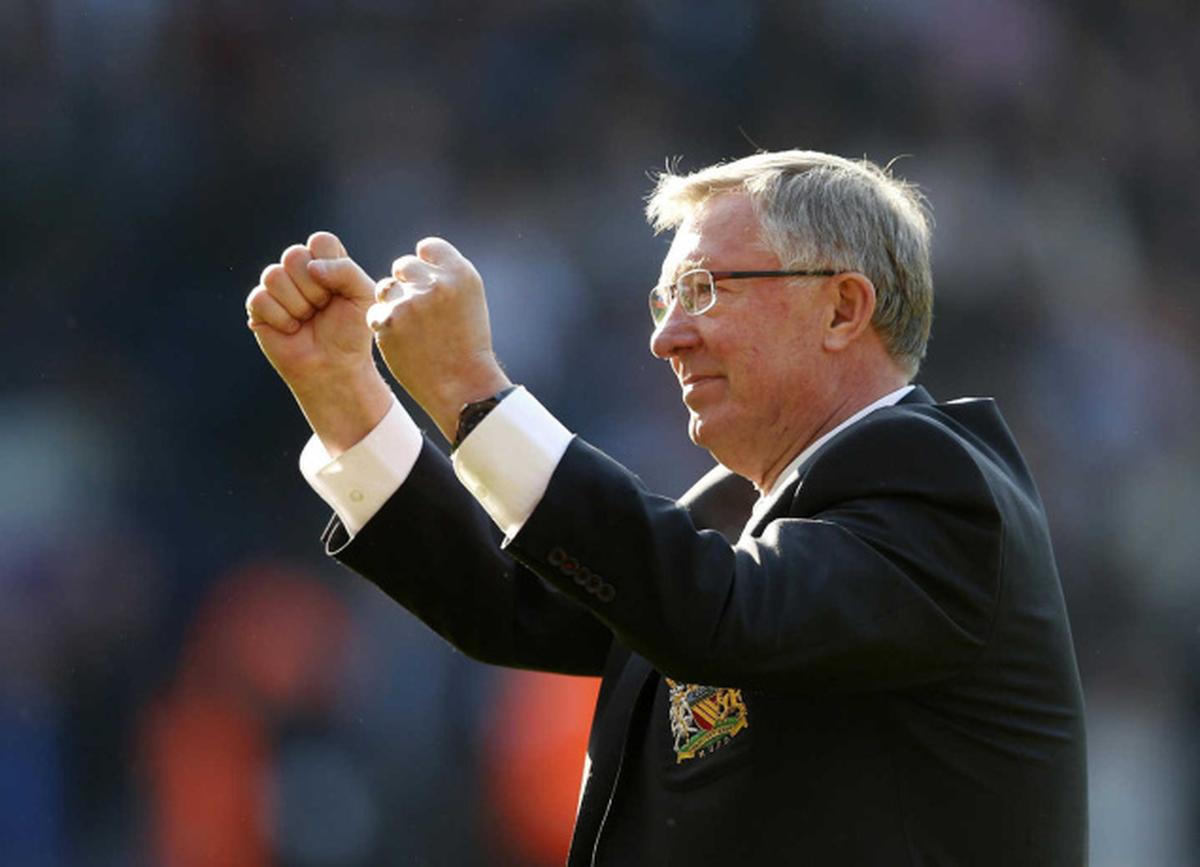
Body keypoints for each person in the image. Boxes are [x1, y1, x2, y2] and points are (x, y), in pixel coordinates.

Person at [245, 150, 1087, 865]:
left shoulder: (942, 484)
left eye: (704, 289)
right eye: (665, 300)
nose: (667, 335)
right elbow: (515, 601)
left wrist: (472, 391)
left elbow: (715, 609)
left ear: (841, 308)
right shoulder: (735, 514)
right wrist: (346, 398)